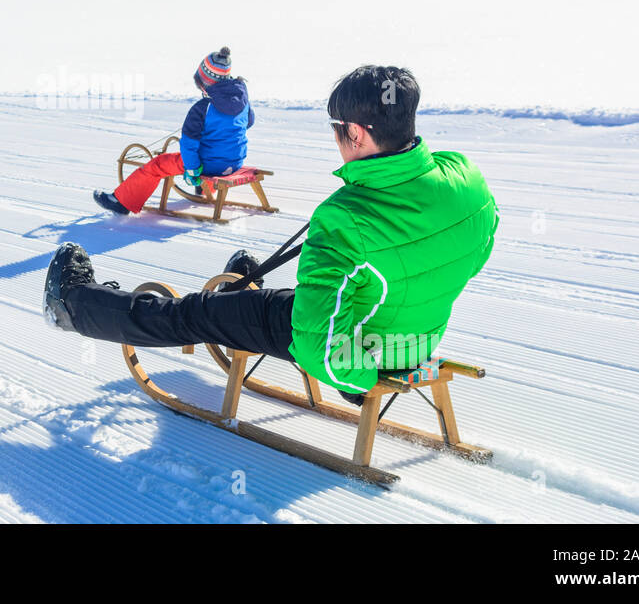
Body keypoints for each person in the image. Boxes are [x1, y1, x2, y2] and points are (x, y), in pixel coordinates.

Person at [48, 65, 498, 402]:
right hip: (414, 340)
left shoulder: (344, 218)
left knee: (195, 314)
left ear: (357, 134)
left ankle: (75, 305)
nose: (336, 139)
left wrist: (358, 382)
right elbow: (471, 252)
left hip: (355, 356)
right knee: (348, 285)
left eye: (338, 130)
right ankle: (244, 299)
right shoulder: (467, 179)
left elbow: (317, 345)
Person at [94, 47, 255, 215]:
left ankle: (122, 202)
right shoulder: (243, 101)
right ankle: (205, 188)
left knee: (158, 164)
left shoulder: (203, 107)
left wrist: (192, 169)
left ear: (205, 81)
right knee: (215, 150)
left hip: (209, 165)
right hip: (235, 162)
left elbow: (188, 144)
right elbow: (248, 122)